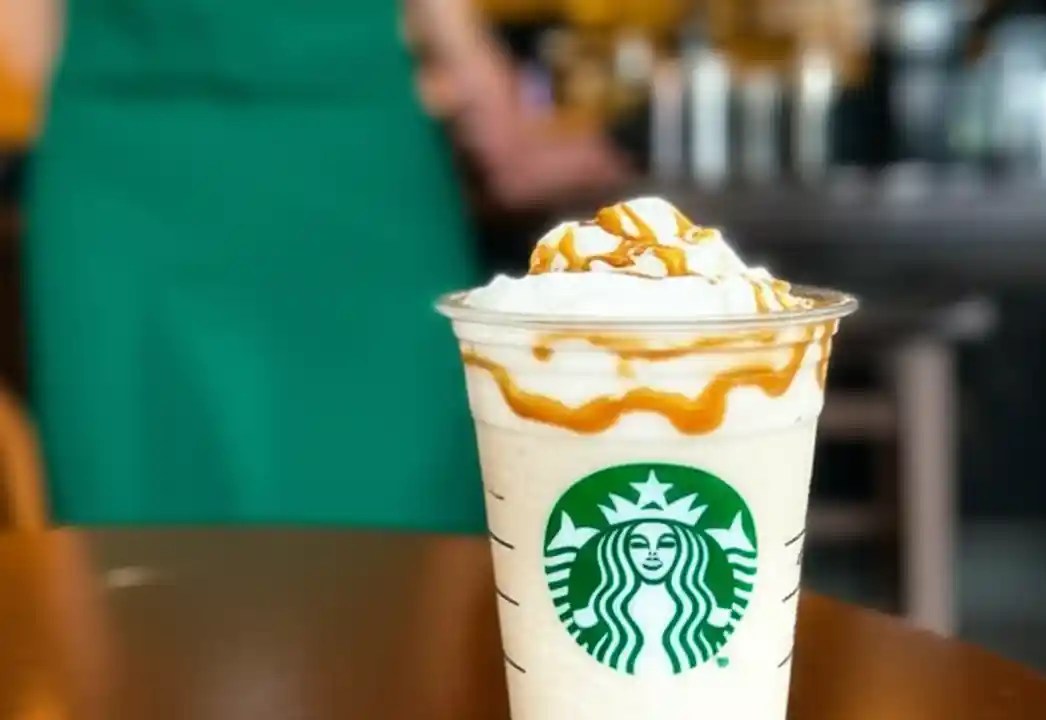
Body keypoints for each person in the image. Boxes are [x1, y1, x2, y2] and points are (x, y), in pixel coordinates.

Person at [22, 0, 625, 528]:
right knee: (137, 545)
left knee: (397, 534)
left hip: (338, 154)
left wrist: (478, 73)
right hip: (131, 171)